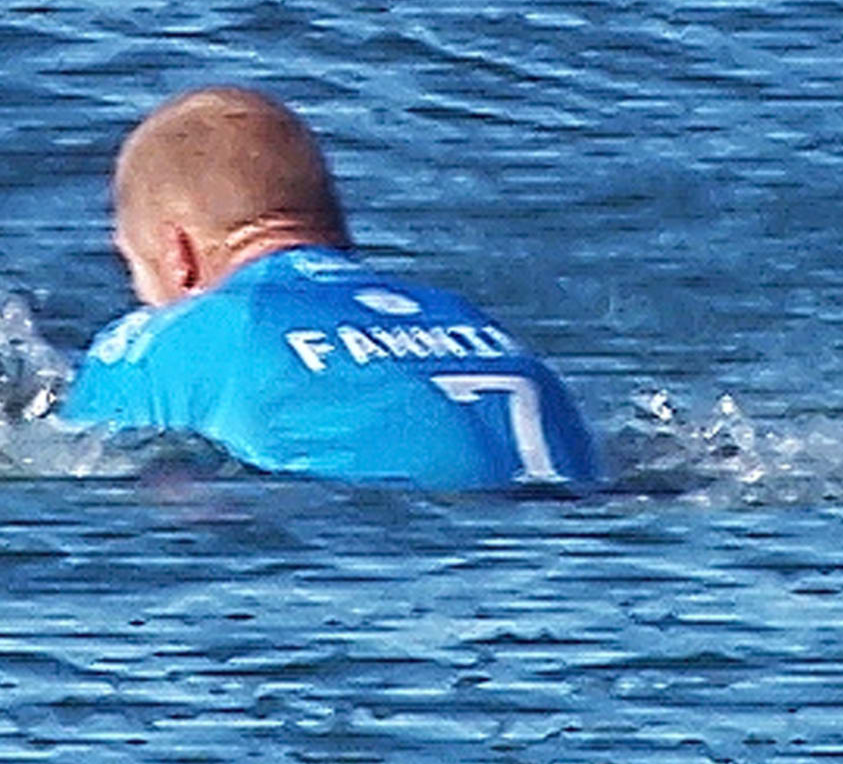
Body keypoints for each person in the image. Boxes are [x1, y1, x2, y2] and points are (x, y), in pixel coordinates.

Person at [55, 85, 602, 491]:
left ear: (179, 255)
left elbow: (69, 465)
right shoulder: (464, 319)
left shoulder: (184, 335)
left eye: (133, 264)